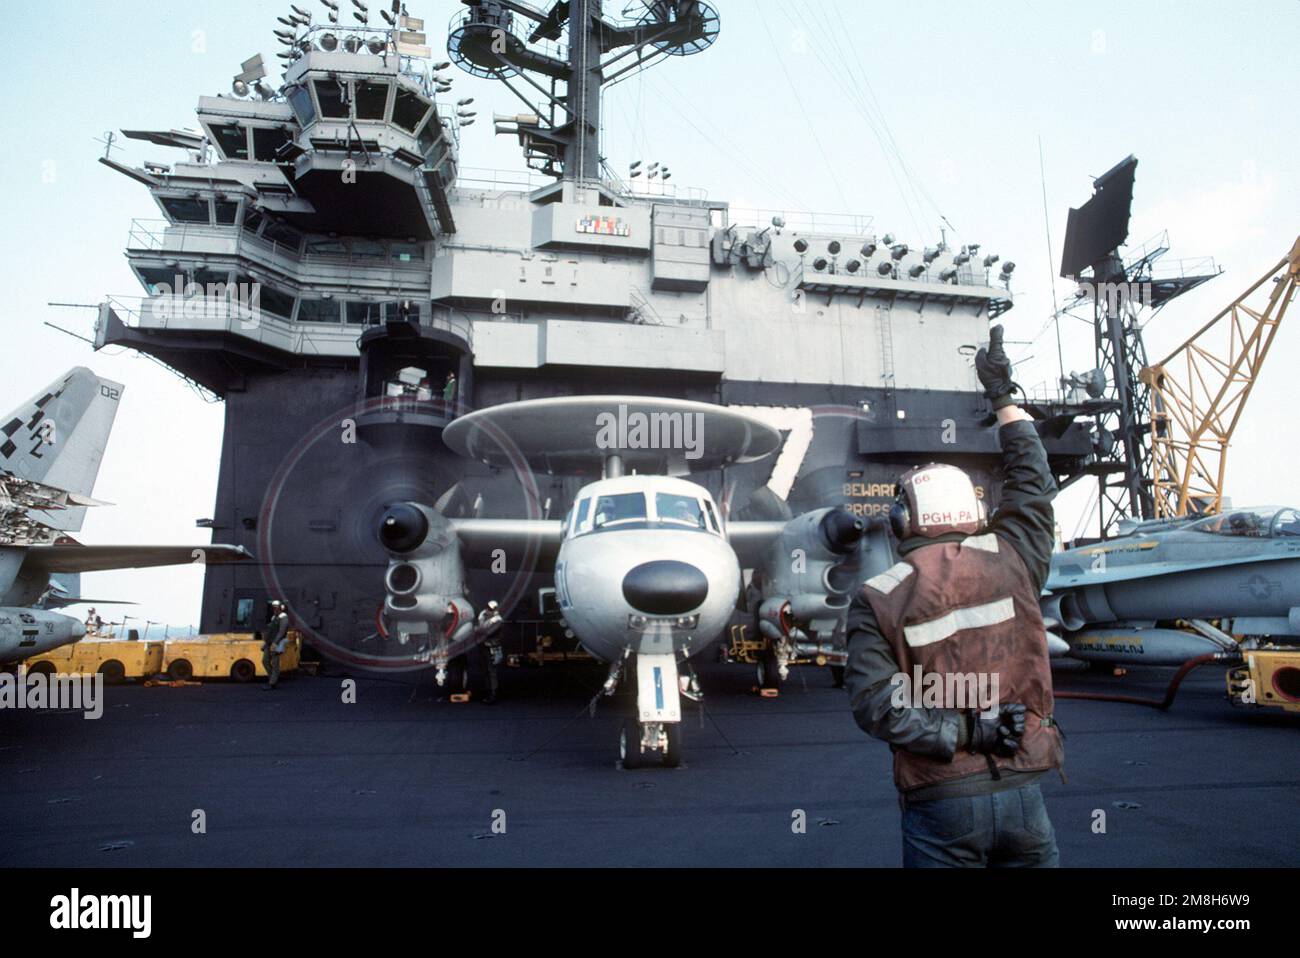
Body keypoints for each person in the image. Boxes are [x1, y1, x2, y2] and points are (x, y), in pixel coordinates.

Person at [844, 324, 1064, 868]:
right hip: (1024, 795)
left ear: (903, 522)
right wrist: (1003, 398)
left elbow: (878, 705)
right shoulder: (1015, 558)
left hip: (942, 800)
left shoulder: (878, 597)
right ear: (973, 513)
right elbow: (1033, 483)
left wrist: (964, 730)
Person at [475, 600, 504, 704]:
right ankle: (487, 691)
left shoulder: (498, 620)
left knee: (492, 671)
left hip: (493, 648)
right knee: (485, 670)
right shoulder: (483, 616)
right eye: (487, 608)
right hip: (484, 646)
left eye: (490, 609)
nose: (488, 610)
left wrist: (478, 629)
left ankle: (493, 693)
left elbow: (486, 631)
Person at [261, 600, 290, 691]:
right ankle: (272, 678)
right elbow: (270, 632)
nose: (274, 609)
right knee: (265, 661)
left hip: (276, 643)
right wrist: (266, 643)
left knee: (275, 663)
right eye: (273, 607)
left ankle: (272, 683)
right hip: (269, 642)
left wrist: (275, 643)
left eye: (276, 607)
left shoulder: (284, 618)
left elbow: (281, 632)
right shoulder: (274, 618)